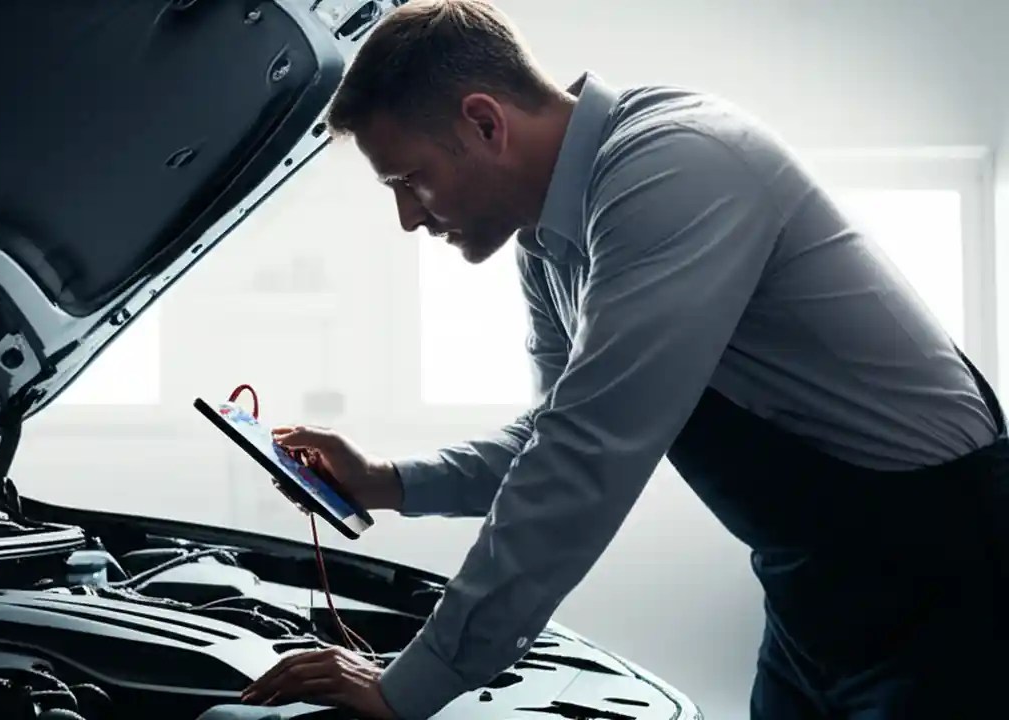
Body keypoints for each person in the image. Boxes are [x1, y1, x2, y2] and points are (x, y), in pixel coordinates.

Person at [239, 1, 1007, 718]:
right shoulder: (546, 243)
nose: (409, 216)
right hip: (814, 597)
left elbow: (584, 457)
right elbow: (554, 434)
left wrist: (410, 685)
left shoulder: (674, 165)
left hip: (953, 584)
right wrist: (390, 482)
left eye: (409, 180)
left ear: (483, 122)